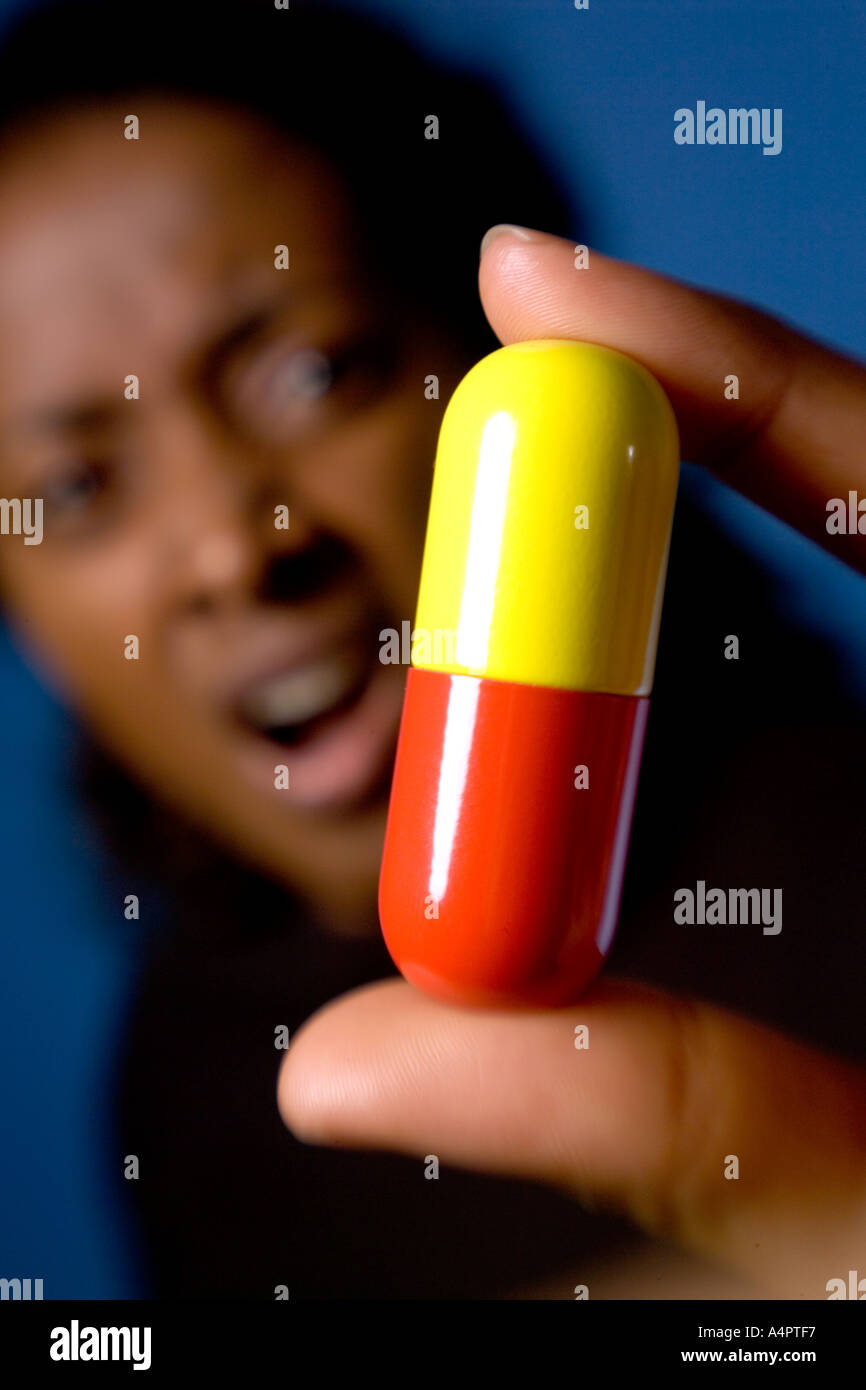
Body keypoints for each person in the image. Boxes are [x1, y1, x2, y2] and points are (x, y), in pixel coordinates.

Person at [0, 0, 863, 1299]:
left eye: (316, 375)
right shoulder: (180, 1107)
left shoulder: (836, 837)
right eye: (72, 489)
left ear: (487, 360)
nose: (234, 547)